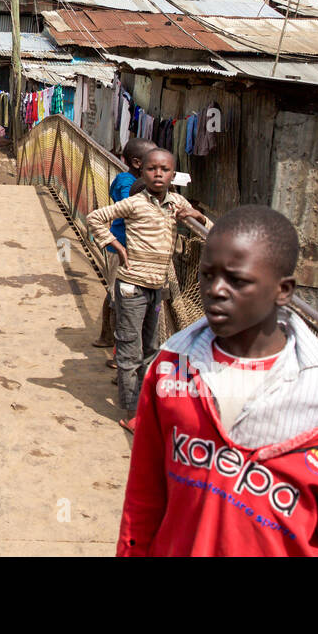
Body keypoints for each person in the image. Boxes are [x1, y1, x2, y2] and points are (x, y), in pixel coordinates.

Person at [116, 206, 318, 557]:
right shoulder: (171, 371)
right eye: (207, 275)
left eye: (237, 280)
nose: (216, 290)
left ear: (283, 290)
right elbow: (144, 493)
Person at [86, 148, 208, 433]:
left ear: (172, 175)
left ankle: (145, 403)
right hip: (131, 286)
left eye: (164, 170)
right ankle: (131, 412)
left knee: (151, 349)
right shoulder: (134, 203)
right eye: (152, 169)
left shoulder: (176, 203)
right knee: (130, 350)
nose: (158, 174)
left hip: (157, 287)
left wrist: (197, 216)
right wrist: (114, 245)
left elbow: (204, 226)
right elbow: (95, 218)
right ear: (142, 172)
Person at [96, 139, 158, 355]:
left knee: (115, 292)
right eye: (153, 165)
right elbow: (129, 204)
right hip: (122, 247)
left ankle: (106, 337)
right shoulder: (126, 181)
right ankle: (118, 351)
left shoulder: (134, 180)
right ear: (137, 163)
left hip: (131, 247)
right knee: (118, 298)